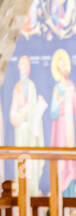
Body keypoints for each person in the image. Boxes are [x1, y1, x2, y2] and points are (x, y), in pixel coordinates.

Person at [10, 54, 46, 185]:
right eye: (21, 65)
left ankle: (32, 190)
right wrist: (18, 116)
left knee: (31, 164)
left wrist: (37, 107)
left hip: (30, 131)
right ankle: (21, 189)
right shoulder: (17, 86)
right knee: (21, 161)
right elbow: (13, 112)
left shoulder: (31, 86)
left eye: (25, 65)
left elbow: (32, 109)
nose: (22, 68)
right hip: (21, 130)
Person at [50, 48, 76, 196]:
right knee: (62, 160)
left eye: (64, 65)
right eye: (60, 66)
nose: (62, 68)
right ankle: (62, 194)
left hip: (70, 127)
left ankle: (72, 195)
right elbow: (53, 113)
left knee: (71, 160)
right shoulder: (57, 88)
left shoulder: (71, 86)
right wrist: (59, 101)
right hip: (60, 128)